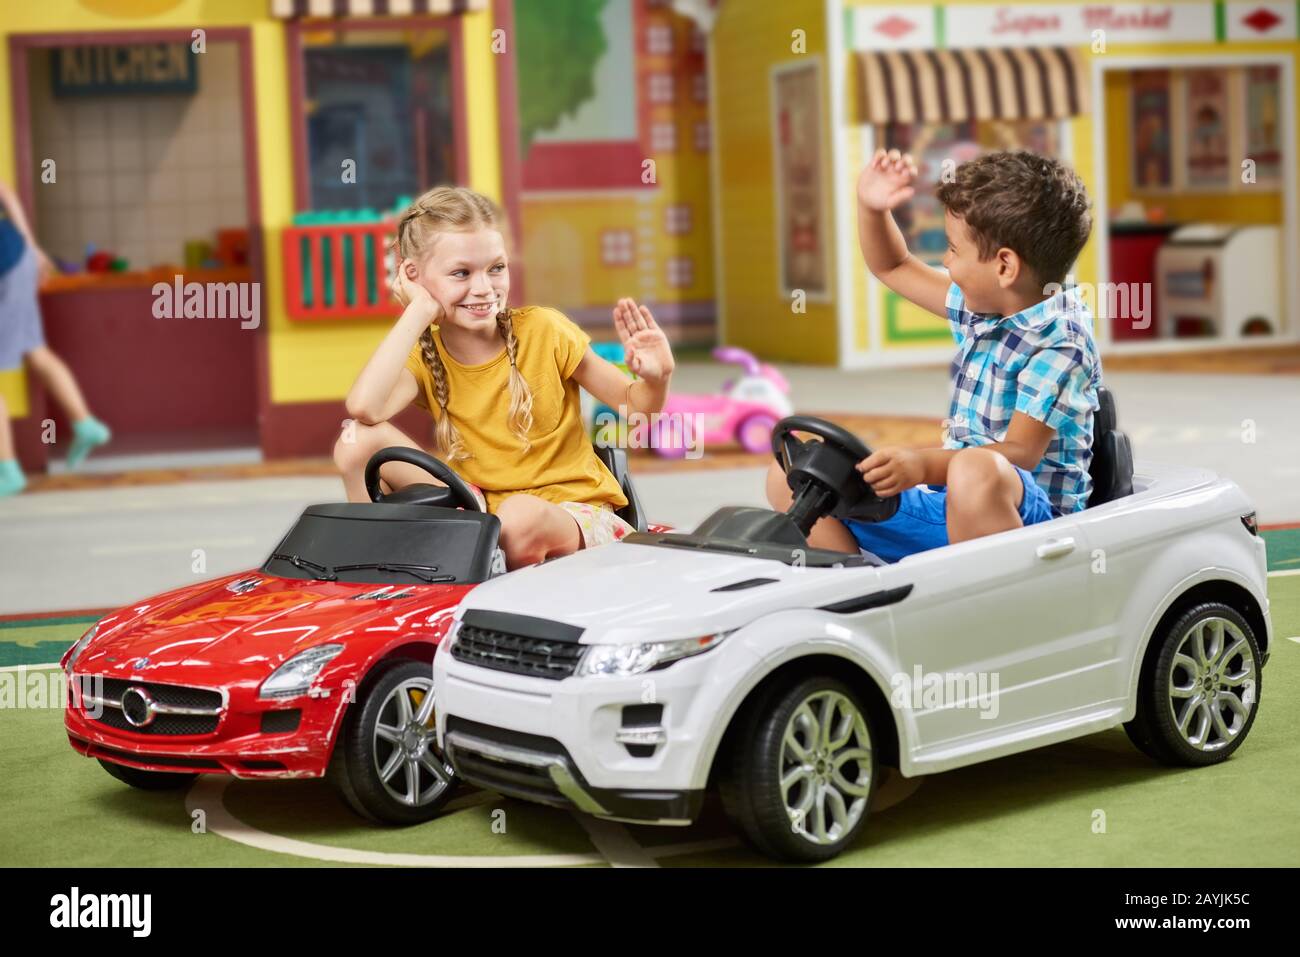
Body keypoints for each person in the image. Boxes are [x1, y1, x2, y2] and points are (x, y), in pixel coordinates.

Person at [768, 148, 1100, 561]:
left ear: (1004, 267)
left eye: (953, 249)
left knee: (973, 468)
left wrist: (922, 465)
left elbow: (1021, 452)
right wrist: (872, 208)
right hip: (947, 504)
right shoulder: (985, 306)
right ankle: (853, 586)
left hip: (1032, 524)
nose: (945, 260)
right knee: (796, 474)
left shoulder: (1061, 342)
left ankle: (978, 597)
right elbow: (893, 266)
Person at [335, 186, 675, 569]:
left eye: (496, 268)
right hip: (483, 512)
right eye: (461, 272)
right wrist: (419, 311)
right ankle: (375, 569)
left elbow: (639, 410)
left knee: (518, 518)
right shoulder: (425, 356)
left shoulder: (545, 330)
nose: (484, 288)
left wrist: (656, 379)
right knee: (355, 441)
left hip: (574, 515)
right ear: (413, 276)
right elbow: (365, 407)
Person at [0, 178, 111, 496]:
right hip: (16, 257)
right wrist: (30, 246)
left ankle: (7, 470)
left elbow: (4, 191)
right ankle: (85, 423)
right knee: (35, 349)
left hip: (5, 267)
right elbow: (5, 191)